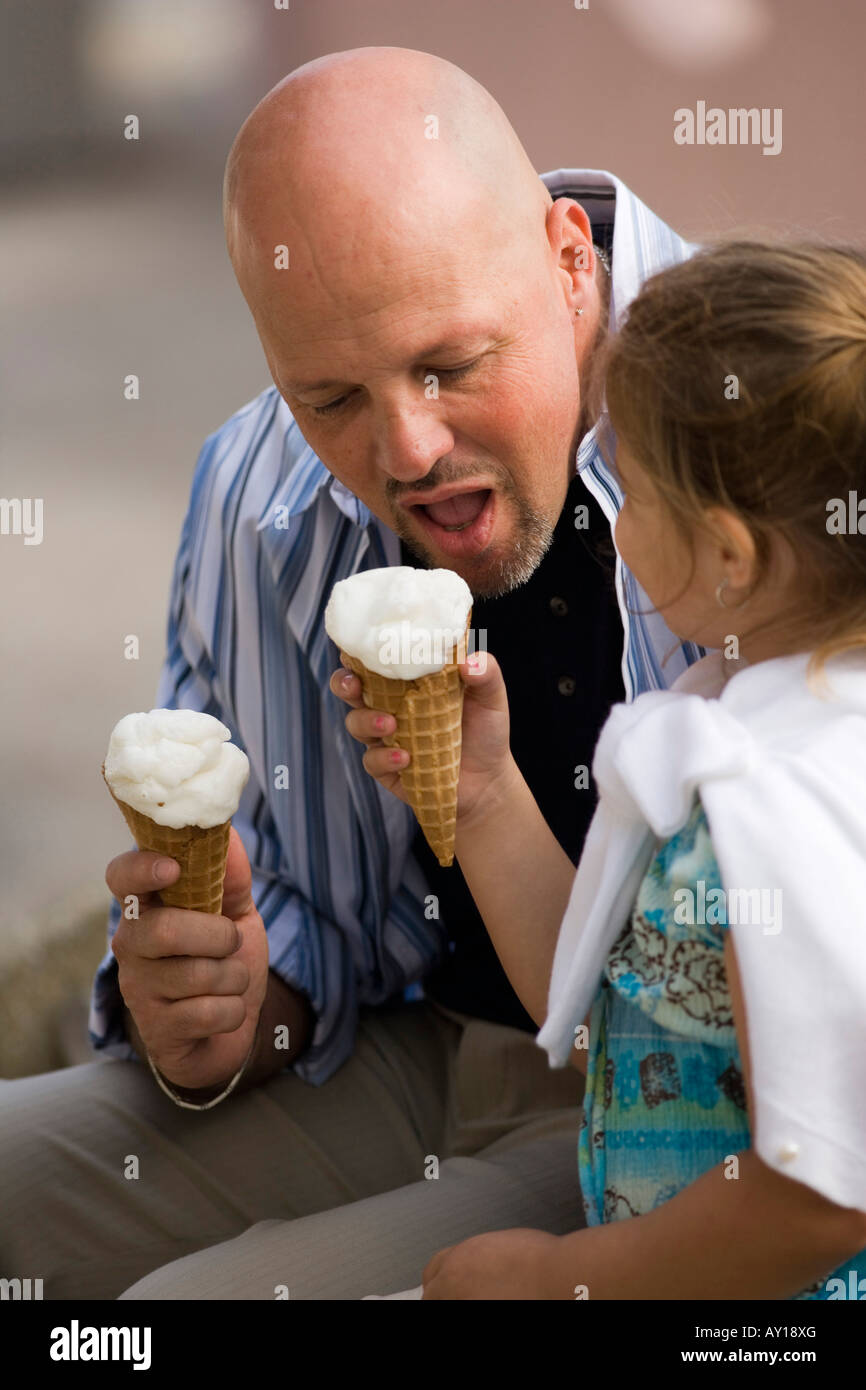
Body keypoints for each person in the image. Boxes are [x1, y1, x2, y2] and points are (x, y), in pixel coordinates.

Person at [2, 47, 700, 1301]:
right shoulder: (262, 490)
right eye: (326, 394)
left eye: (449, 364)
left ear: (564, 256)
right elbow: (292, 979)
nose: (407, 449)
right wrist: (217, 1011)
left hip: (668, 1110)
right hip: (404, 1057)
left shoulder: (764, 418)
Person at [345, 240, 866, 1298]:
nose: (612, 524)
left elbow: (817, 1198)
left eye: (630, 489)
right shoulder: (741, 717)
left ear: (728, 554)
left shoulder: (774, 795)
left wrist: (561, 1278)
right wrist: (482, 789)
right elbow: (613, 1008)